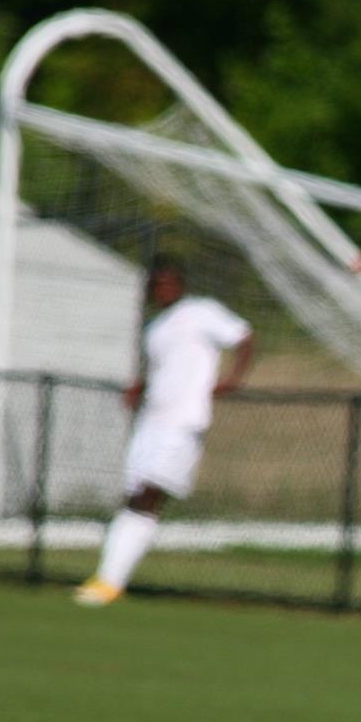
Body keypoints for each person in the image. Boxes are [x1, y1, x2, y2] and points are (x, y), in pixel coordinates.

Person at [75, 259, 254, 607]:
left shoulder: (201, 311)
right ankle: (107, 577)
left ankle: (110, 582)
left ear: (182, 283)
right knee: (134, 496)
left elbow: (244, 336)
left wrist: (233, 379)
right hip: (152, 422)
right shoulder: (156, 327)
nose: (165, 289)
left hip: (184, 421)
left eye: (171, 282)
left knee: (149, 495)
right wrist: (140, 387)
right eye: (158, 284)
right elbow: (163, 368)